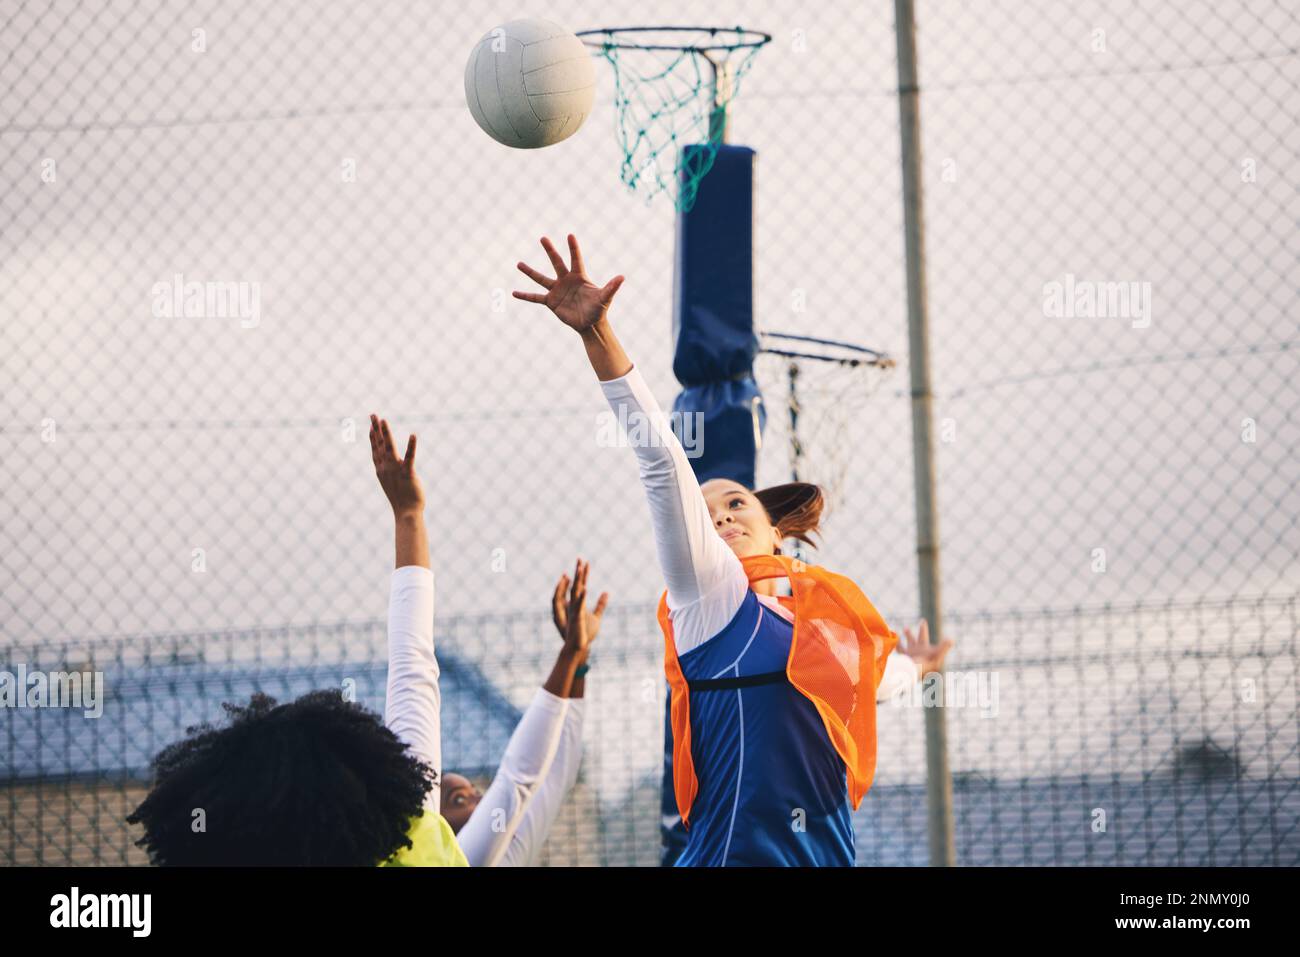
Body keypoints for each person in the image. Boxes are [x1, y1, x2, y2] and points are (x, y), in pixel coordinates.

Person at [514, 235, 954, 866]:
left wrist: (918, 667)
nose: (719, 516)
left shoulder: (821, 628)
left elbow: (880, 683)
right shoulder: (710, 597)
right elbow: (663, 464)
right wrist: (598, 336)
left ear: (778, 532)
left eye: (736, 504)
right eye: (708, 509)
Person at [450, 561, 606, 867]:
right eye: (457, 800)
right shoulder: (458, 859)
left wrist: (579, 658)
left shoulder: (505, 855)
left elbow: (560, 768)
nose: (480, 801)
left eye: (475, 792)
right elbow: (518, 778)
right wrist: (570, 654)